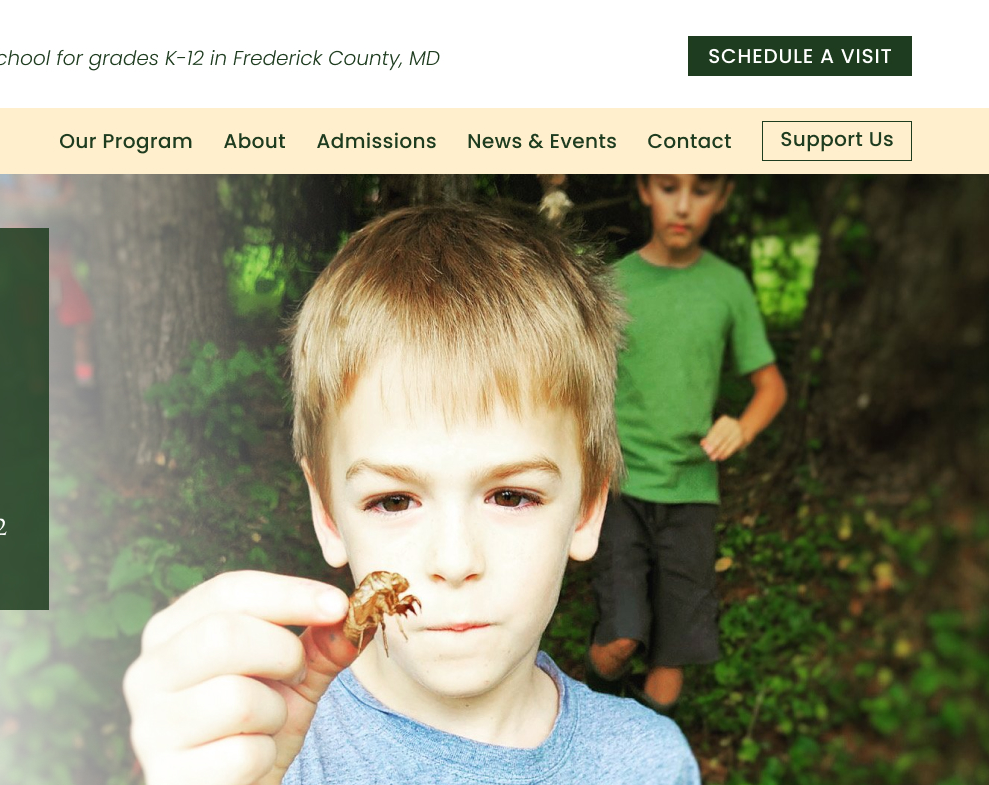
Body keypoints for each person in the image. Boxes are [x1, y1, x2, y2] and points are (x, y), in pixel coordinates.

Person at [123, 205, 700, 784]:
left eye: (511, 496)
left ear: (588, 509)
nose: (453, 562)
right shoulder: (264, 751)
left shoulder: (652, 762)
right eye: (393, 501)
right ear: (326, 512)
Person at [586, 175, 787, 716]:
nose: (682, 205)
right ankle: (599, 720)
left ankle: (646, 756)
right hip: (620, 488)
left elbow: (771, 386)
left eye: (700, 191)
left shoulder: (727, 287)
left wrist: (742, 426)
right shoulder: (612, 283)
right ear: (645, 189)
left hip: (693, 494)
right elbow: (575, 380)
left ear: (721, 199)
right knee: (620, 640)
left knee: (670, 658)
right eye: (669, 187)